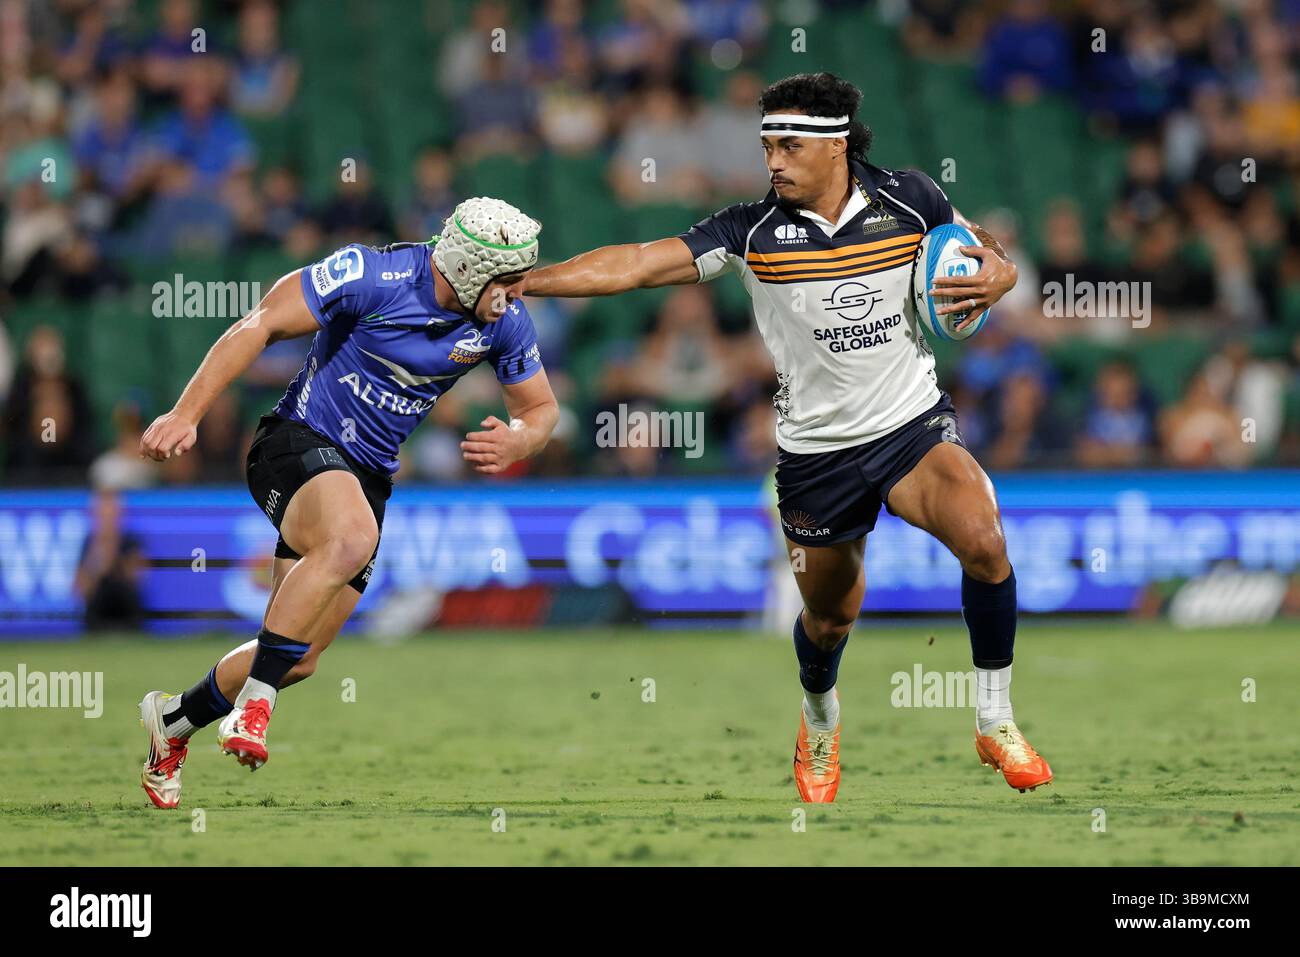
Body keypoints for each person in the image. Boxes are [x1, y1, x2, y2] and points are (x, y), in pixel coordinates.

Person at [507, 72, 1052, 802]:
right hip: (816, 455)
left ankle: (995, 719)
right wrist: (528, 282)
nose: (773, 160)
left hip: (910, 427)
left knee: (985, 540)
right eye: (767, 144)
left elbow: (984, 249)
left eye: (788, 145)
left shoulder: (912, 198)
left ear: (835, 147)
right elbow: (637, 263)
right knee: (829, 618)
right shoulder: (750, 229)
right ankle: (819, 718)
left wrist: (1003, 274)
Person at [134, 198, 558, 808]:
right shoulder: (369, 274)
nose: (520, 293)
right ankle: (255, 707)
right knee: (350, 541)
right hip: (296, 441)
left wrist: (521, 440)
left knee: (299, 657)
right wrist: (186, 413)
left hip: (368, 480)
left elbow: (541, 409)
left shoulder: (504, 323)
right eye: (510, 280)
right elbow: (260, 323)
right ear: (469, 270)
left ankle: (171, 722)